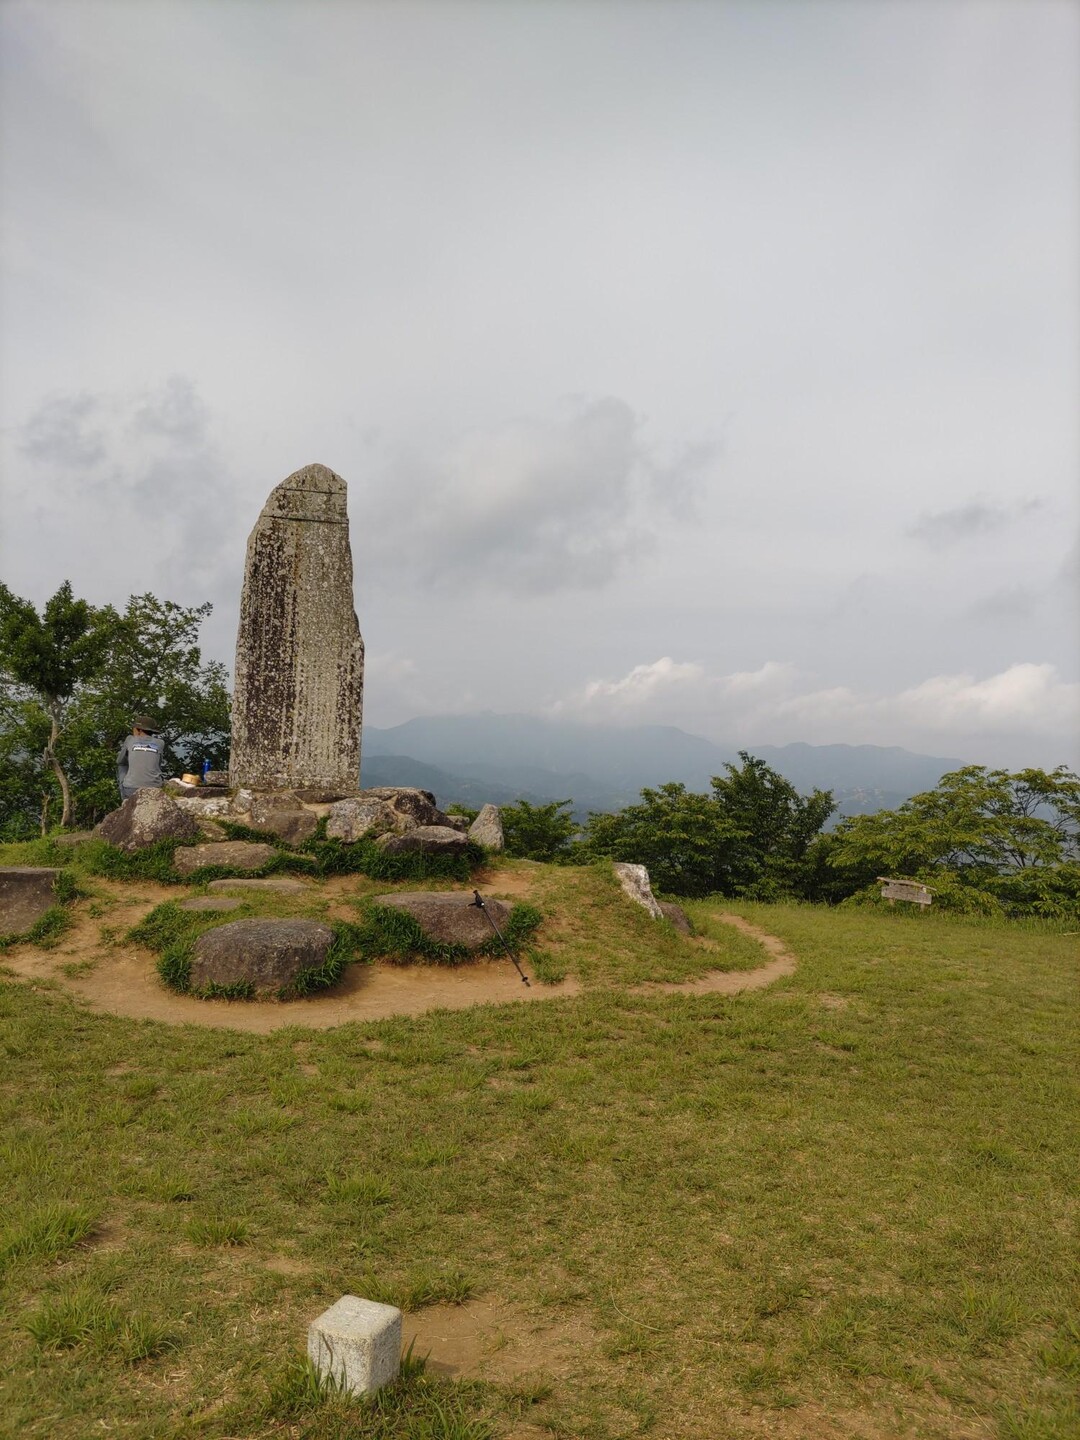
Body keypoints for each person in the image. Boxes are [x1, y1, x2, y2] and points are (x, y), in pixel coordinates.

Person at [116, 715, 165, 801]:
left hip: (131, 788)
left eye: (134, 728)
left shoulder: (130, 739)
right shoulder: (160, 743)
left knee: (122, 765)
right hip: (155, 786)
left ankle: (125, 800)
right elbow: (158, 764)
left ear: (139, 730)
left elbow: (120, 761)